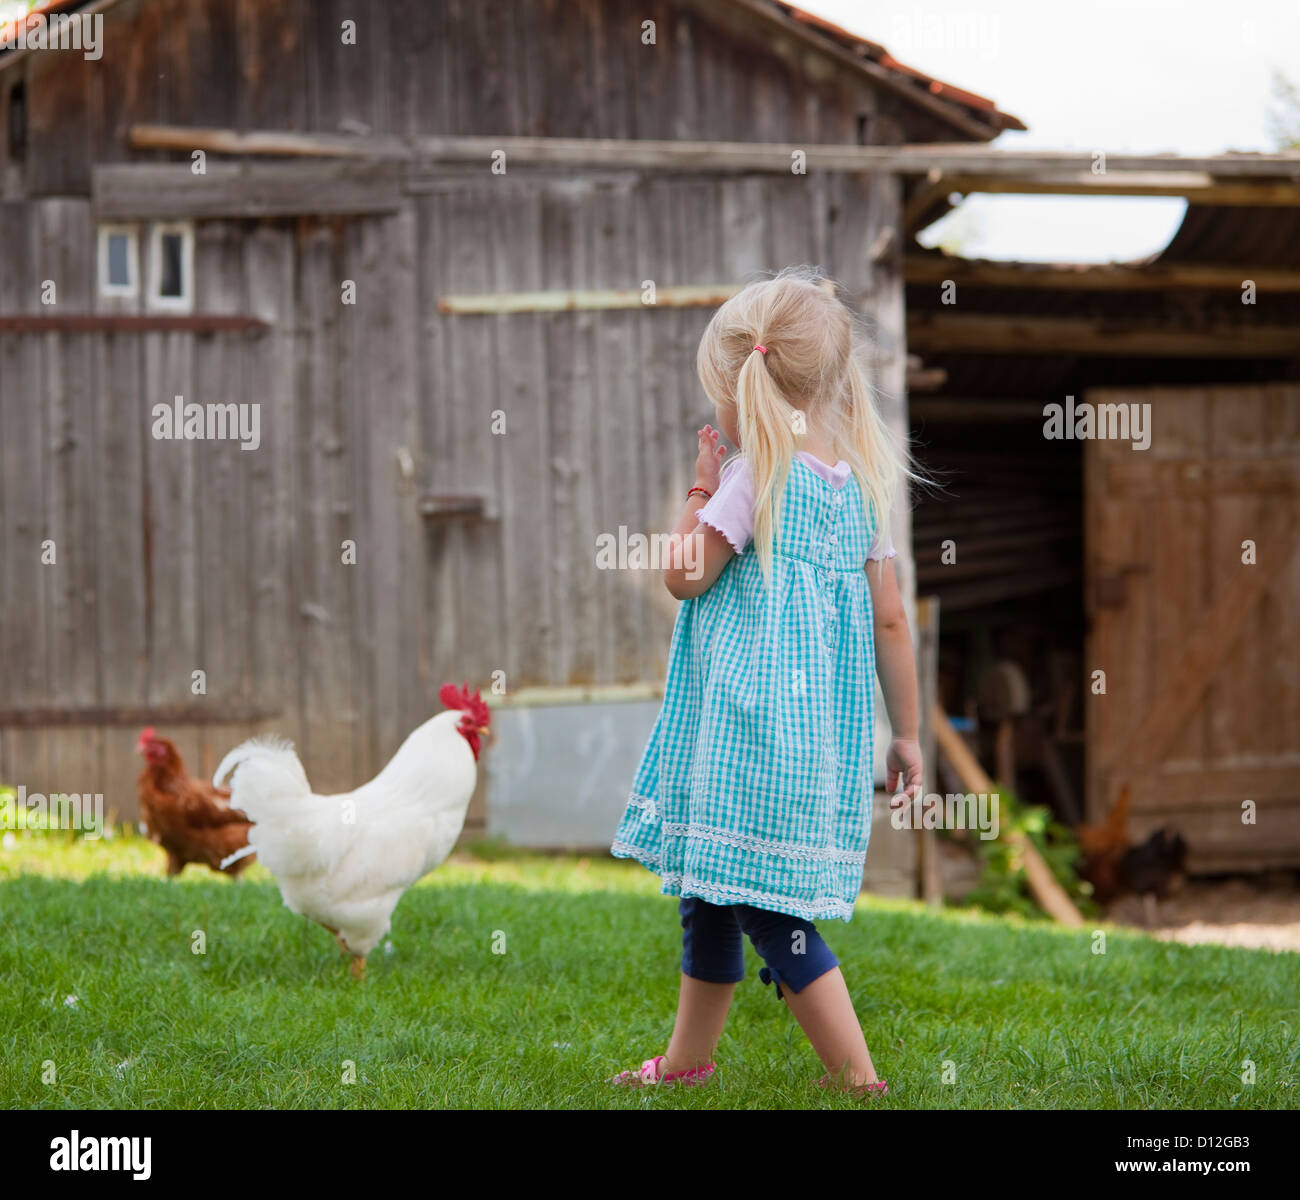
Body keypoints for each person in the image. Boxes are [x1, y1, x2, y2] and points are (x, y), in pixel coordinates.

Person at [609, 269, 923, 1096]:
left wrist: (700, 488)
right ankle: (687, 1063)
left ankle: (859, 1080)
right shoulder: (859, 490)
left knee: (769, 915)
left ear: (744, 394)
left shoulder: (753, 478)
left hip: (748, 739)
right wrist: (910, 733)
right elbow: (892, 622)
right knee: (711, 890)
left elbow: (683, 577)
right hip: (813, 742)